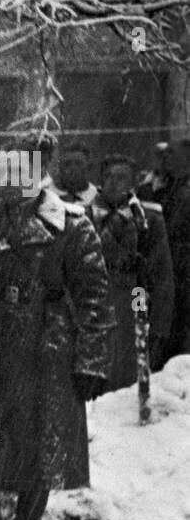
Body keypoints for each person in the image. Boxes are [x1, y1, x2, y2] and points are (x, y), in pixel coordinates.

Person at [0, 142, 114, 520]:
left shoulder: (72, 224)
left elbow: (94, 298)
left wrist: (91, 360)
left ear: (39, 172)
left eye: (22, 170)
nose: (13, 179)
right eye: (5, 170)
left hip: (46, 352)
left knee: (38, 440)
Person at [83, 155, 174, 388]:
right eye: (108, 177)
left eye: (121, 177)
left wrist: (160, 326)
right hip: (93, 304)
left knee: (129, 378)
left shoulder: (148, 219)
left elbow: (162, 276)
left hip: (134, 299)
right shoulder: (83, 218)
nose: (114, 182)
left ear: (132, 183)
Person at [140, 138, 190, 362]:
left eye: (172, 154)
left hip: (183, 275)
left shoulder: (183, 191)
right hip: (156, 274)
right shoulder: (154, 190)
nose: (166, 159)